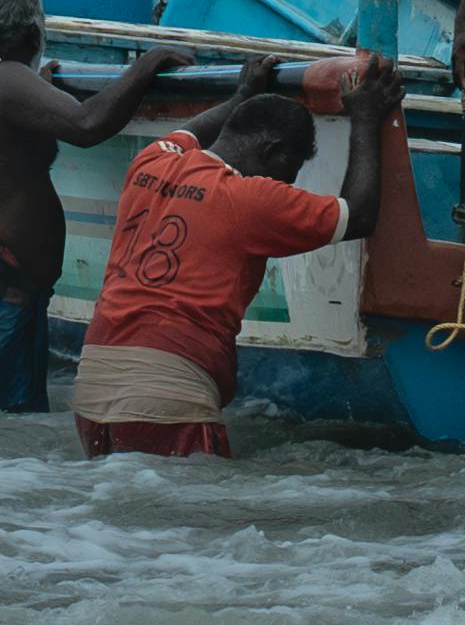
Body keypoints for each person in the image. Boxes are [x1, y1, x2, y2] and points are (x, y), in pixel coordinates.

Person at [0, 0, 250, 412]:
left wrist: (40, 89)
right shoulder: (6, 79)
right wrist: (147, 64)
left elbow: (5, 143)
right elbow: (88, 125)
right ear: (32, 32)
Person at [71, 64, 394, 458]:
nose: (287, 185)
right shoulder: (251, 198)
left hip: (92, 382)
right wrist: (366, 116)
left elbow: (195, 130)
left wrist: (241, 95)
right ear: (272, 153)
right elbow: (358, 214)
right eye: (289, 172)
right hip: (168, 390)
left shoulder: (152, 161)